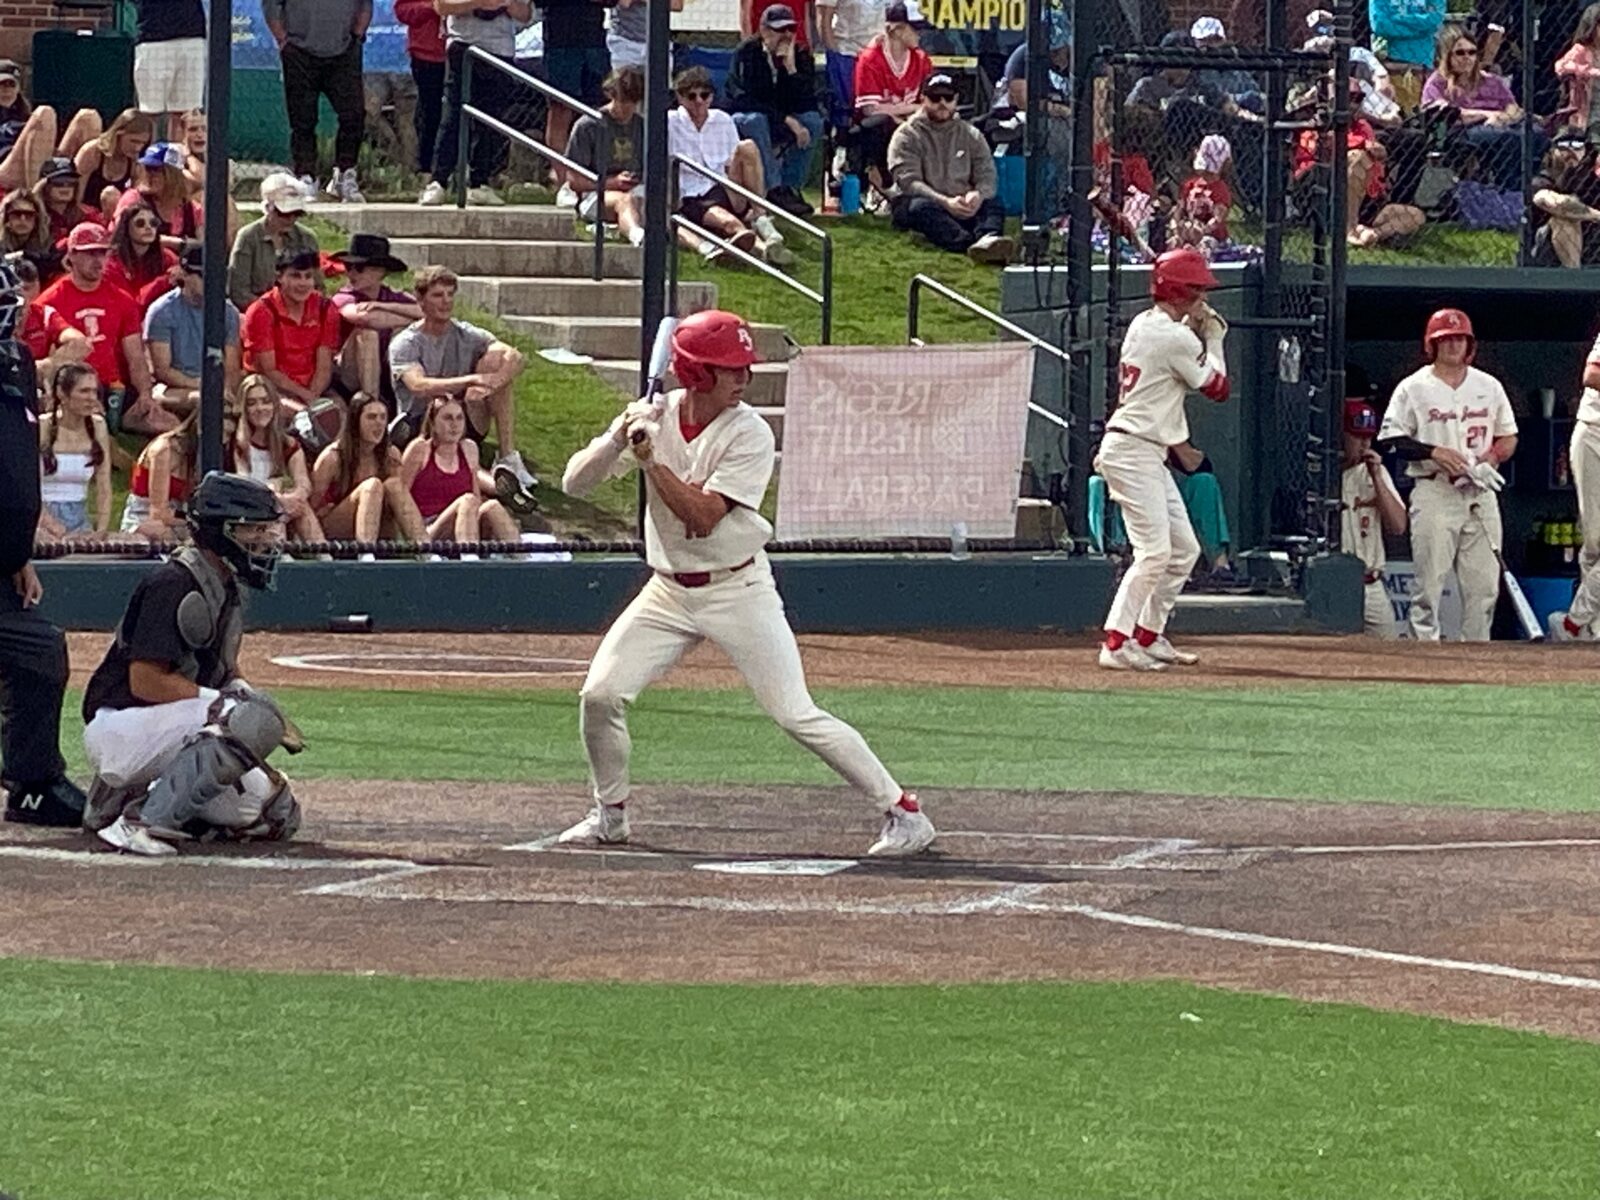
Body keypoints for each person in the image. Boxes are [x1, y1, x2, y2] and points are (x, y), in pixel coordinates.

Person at [556, 309, 933, 856]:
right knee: (601, 694)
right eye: (731, 369)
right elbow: (574, 482)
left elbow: (702, 517)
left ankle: (903, 813)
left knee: (795, 712)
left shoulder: (750, 432)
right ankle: (610, 813)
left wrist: (652, 462)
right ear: (698, 374)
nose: (744, 379)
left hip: (738, 588)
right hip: (668, 590)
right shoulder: (655, 419)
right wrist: (619, 436)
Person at [83, 473, 304, 856]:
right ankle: (140, 823)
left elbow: (224, 672)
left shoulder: (224, 584)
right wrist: (236, 712)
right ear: (223, 531)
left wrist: (259, 707)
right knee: (244, 717)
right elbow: (146, 682)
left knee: (275, 813)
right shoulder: (173, 582)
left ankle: (120, 801)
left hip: (160, 729)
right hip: (120, 725)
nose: (265, 541)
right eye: (254, 529)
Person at [1095, 248, 1229, 671]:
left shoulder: (1144, 323)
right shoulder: (1174, 337)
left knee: (1184, 549)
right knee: (1153, 552)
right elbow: (1218, 388)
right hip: (1133, 448)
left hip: (1144, 449)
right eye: (1196, 291)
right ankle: (1116, 643)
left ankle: (1148, 634)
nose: (1202, 299)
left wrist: (1193, 326)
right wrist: (1215, 338)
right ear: (1179, 291)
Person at [0, 260, 86, 828]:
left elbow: (13, 465)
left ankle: (33, 783)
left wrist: (17, 554)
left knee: (40, 653)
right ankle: (33, 778)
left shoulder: (18, 360)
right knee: (37, 652)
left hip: (3, 559)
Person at [1376, 309, 1517, 642]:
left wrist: (1493, 457)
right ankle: (1425, 656)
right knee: (1429, 586)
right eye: (1445, 339)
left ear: (1470, 344)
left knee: (1484, 586)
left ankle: (1476, 655)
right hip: (1435, 489)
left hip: (1480, 490)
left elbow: (1508, 436)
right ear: (1432, 344)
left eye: (1459, 339)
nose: (1453, 345)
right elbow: (1391, 440)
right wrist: (1434, 452)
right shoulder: (1414, 387)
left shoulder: (1488, 386)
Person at [388, 265, 537, 508]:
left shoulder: (465, 333)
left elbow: (515, 356)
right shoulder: (405, 343)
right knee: (454, 448)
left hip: (462, 416)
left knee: (496, 359)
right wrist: (470, 380)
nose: (446, 301)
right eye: (437, 295)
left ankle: (508, 458)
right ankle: (502, 489)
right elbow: (418, 385)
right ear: (421, 300)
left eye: (450, 294)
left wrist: (493, 382)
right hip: (421, 420)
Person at [37, 222, 157, 434]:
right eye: (90, 253)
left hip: (113, 388)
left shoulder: (122, 299)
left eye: (102, 253)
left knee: (168, 423)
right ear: (71, 256)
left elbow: (136, 357)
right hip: (71, 388)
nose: (98, 260)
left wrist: (145, 395)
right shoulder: (49, 301)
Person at [668, 67, 793, 266]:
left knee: (748, 147)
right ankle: (765, 251)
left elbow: (731, 162)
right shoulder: (670, 122)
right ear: (680, 98)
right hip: (693, 194)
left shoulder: (722, 119)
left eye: (705, 95)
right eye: (692, 96)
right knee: (730, 223)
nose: (699, 101)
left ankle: (760, 216)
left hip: (724, 185)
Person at [888, 74, 1014, 263]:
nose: (942, 103)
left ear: (956, 100)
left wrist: (978, 195)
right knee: (917, 208)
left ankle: (988, 240)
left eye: (948, 98)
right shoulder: (906, 135)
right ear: (923, 99)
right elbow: (909, 182)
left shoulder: (971, 134)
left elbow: (987, 175)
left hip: (963, 202)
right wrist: (946, 202)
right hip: (928, 202)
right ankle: (969, 243)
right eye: (935, 98)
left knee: (993, 202)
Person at [419, 0, 532, 209]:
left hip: (500, 50)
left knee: (491, 119)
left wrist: (503, 3)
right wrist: (478, 2)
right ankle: (438, 181)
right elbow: (441, 6)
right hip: (463, 45)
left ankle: (480, 182)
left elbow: (525, 14)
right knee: (453, 116)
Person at [263, 0, 370, 203]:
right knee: (302, 119)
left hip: (344, 51)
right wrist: (283, 40)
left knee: (354, 114)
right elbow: (271, 5)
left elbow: (365, 5)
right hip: (299, 52)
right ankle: (305, 177)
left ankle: (344, 175)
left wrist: (357, 35)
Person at [726, 4, 825, 217]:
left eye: (791, 29)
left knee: (813, 122)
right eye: (780, 30)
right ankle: (773, 189)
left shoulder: (800, 55)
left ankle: (790, 187)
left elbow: (806, 100)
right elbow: (745, 98)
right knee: (755, 121)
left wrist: (790, 70)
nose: (787, 35)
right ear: (764, 31)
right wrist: (788, 120)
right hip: (750, 113)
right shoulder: (747, 53)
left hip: (779, 115)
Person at [1422, 25, 1540, 196]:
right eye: (1460, 53)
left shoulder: (1491, 80)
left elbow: (1513, 107)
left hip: (1502, 125)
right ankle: (1509, 192)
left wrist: (1504, 118)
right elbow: (1445, 113)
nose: (1467, 58)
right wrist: (1488, 115)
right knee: (1506, 138)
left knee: (1536, 133)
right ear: (1446, 55)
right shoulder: (1437, 83)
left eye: (1472, 52)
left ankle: (1523, 190)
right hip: (1461, 131)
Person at [400, 394, 523, 543]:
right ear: (433, 423)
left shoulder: (469, 449)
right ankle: (468, 558)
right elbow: (401, 496)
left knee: (492, 506)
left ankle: (520, 556)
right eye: (448, 418)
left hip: (467, 520)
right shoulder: (420, 449)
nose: (454, 424)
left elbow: (476, 495)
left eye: (459, 418)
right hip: (429, 527)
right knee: (467, 501)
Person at [312, 391, 429, 543]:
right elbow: (312, 506)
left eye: (383, 417)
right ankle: (365, 552)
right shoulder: (333, 457)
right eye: (371, 417)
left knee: (394, 485)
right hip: (336, 527)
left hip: (379, 523)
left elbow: (398, 503)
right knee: (372, 486)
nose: (379, 423)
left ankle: (424, 547)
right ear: (355, 421)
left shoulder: (391, 454)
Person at [145, 242, 243, 419]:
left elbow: (231, 367)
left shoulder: (228, 312)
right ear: (184, 274)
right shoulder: (162, 311)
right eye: (203, 275)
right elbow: (163, 371)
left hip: (216, 387)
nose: (212, 280)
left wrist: (226, 388)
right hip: (172, 389)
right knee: (205, 400)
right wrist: (202, 386)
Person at [1339, 382, 1407, 638]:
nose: (1365, 443)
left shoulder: (1374, 472)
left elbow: (1398, 526)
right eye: (1357, 436)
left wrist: (1377, 477)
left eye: (1368, 436)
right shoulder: (1319, 475)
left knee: (1390, 651)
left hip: (1371, 585)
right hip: (1336, 585)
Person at [241, 248, 343, 416]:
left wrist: (314, 397)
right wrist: (308, 401)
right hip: (269, 389)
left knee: (342, 415)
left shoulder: (325, 308)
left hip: (314, 389)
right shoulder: (261, 311)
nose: (303, 283)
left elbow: (324, 366)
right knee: (304, 417)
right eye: (295, 276)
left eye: (308, 276)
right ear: (279, 277)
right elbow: (269, 371)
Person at [850, 0, 932, 202]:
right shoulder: (871, 59)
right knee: (879, 123)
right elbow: (870, 109)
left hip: (911, 121)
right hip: (877, 128)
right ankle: (882, 186)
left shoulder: (921, 59)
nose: (919, 34)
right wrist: (908, 110)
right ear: (897, 30)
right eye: (915, 28)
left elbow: (928, 103)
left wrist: (903, 112)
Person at [1548, 329, 1600, 642]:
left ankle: (1573, 623)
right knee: (1595, 543)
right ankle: (1588, 630)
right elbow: (1591, 374)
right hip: (1595, 433)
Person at [231, 373, 324, 544]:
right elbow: (244, 486)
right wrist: (276, 497)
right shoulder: (236, 443)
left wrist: (294, 498)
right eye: (252, 403)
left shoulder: (289, 444)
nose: (260, 408)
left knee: (302, 507)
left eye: (266, 401)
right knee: (275, 494)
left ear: (274, 405)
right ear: (243, 408)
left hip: (281, 511)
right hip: (246, 514)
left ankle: (325, 560)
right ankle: (279, 560)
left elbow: (304, 483)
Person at [330, 233, 420, 407]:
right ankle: (370, 404)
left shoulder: (393, 297)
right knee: (367, 335)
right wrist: (408, 318)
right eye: (349, 267)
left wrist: (386, 306)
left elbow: (427, 313)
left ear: (380, 271)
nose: (352, 273)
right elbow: (366, 318)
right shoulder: (343, 297)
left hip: (387, 369)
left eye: (360, 268)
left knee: (403, 333)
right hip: (349, 375)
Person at [566, 66, 646, 246]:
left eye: (633, 102)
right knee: (625, 200)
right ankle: (637, 236)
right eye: (623, 101)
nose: (627, 108)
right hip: (595, 195)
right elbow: (574, 181)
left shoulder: (642, 127)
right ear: (611, 94)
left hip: (636, 191)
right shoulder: (588, 125)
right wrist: (612, 183)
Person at [36, 362, 113, 542]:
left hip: (79, 519)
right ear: (62, 393)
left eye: (94, 391)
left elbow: (104, 485)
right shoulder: (42, 427)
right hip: (42, 519)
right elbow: (27, 488)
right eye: (84, 391)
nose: (91, 398)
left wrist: (101, 530)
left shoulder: (98, 426)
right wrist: (50, 525)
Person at [542, 0, 611, 185]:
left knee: (600, 111)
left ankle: (593, 177)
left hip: (595, 43)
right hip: (560, 42)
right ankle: (563, 181)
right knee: (560, 111)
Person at [228, 172, 319, 312]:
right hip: (259, 311)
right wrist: (272, 312)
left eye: (297, 213)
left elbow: (318, 286)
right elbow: (239, 291)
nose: (291, 219)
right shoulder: (248, 237)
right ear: (268, 208)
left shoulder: (307, 238)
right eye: (284, 213)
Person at [132, 0, 207, 135]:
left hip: (191, 37)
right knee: (149, 112)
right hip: (153, 39)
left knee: (186, 113)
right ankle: (147, 155)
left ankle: (178, 155)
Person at [14, 259, 90, 391]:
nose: (21, 296)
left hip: (35, 387)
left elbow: (81, 344)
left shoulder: (43, 314)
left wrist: (45, 366)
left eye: (27, 289)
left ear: (37, 288)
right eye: (15, 290)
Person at [120, 408, 197, 538]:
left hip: (182, 520)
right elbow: (158, 513)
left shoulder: (203, 454)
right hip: (146, 519)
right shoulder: (164, 449)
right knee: (161, 531)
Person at [395, 0, 448, 177]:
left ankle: (465, 167)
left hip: (462, 51)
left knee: (462, 112)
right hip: (426, 54)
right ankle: (426, 166)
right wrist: (433, 7)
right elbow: (403, 10)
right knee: (430, 111)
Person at [116, 142, 201, 247]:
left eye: (156, 169)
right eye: (147, 168)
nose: (149, 175)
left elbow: (205, 245)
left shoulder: (192, 210)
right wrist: (176, 243)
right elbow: (121, 237)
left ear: (173, 173)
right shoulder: (133, 199)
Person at [74, 109, 154, 220]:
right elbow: (75, 198)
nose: (138, 148)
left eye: (142, 143)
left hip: (114, 218)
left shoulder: (136, 162)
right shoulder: (92, 152)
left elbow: (135, 200)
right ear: (118, 134)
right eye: (133, 141)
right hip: (84, 215)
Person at [817, 0, 885, 128]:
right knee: (846, 111)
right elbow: (823, 18)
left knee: (877, 112)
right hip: (847, 54)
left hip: (880, 57)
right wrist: (834, 54)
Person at [1369, 0, 1445, 112]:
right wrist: (1420, 27)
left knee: (1424, 115)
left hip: (1423, 67)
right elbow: (1380, 25)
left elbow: (1434, 21)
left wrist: (1397, 19)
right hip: (1390, 66)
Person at [102, 201, 178, 303]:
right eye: (140, 223)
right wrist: (165, 280)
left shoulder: (167, 257)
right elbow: (132, 303)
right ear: (126, 228)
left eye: (153, 223)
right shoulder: (112, 263)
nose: (148, 227)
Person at [33, 156, 102, 251]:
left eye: (70, 182)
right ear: (44, 186)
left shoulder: (88, 214)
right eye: (58, 182)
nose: (65, 187)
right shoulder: (34, 216)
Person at [1557, 4, 1600, 142]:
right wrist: (1589, 71)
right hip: (1589, 115)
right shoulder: (1581, 50)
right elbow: (1561, 67)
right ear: (1592, 27)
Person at [608, 0, 685, 70]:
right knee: (626, 82)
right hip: (625, 42)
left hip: (658, 45)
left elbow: (676, 4)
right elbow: (624, 3)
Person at [0, 189, 57, 282]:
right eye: (16, 214)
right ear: (6, 219)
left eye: (29, 215)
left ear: (37, 220)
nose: (23, 220)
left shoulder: (48, 247)